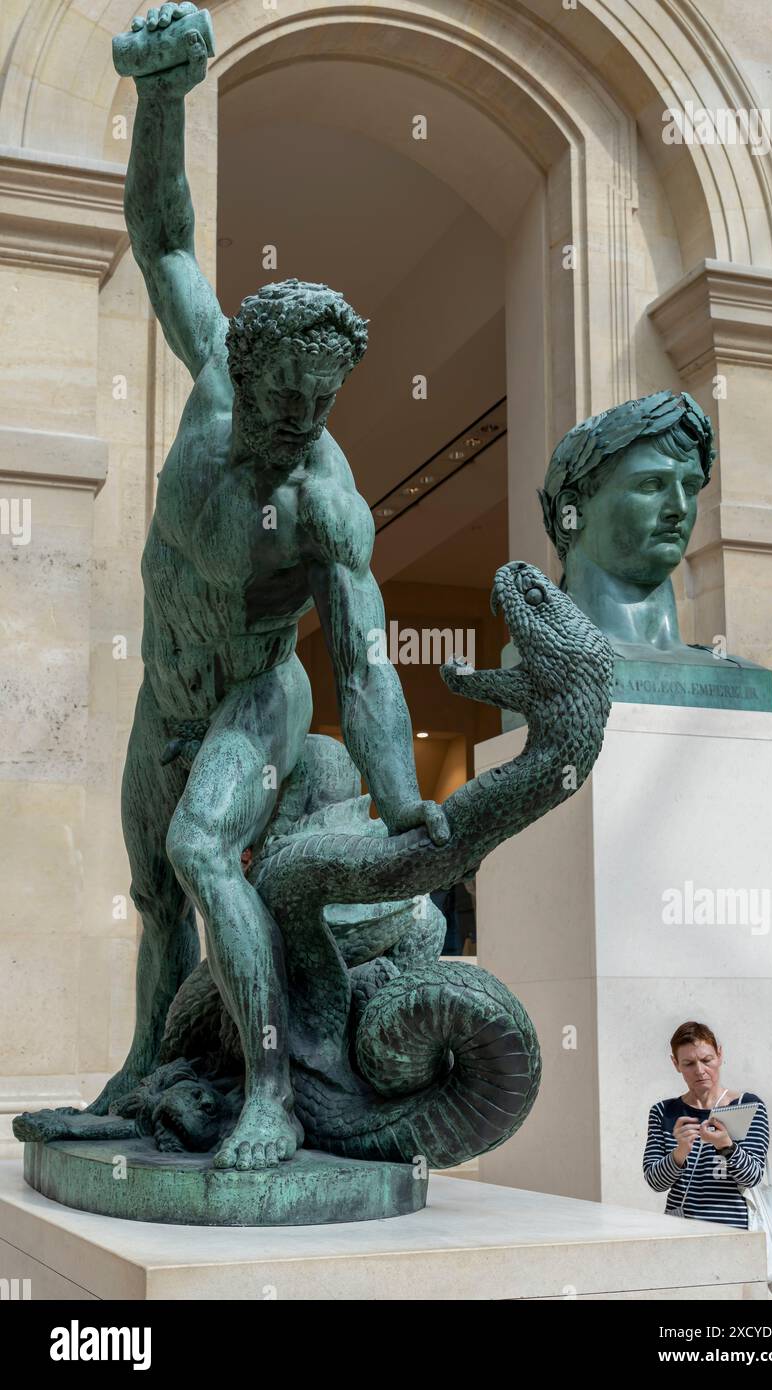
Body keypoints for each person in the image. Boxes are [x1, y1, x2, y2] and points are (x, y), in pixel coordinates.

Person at [83, 3, 450, 1172]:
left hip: (257, 693)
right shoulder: (209, 385)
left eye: (323, 405)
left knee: (202, 849)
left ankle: (276, 1093)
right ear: (247, 370)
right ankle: (148, 1069)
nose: (301, 424)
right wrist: (162, 99)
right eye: (286, 400)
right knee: (151, 897)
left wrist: (402, 808)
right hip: (168, 694)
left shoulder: (331, 506)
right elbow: (165, 237)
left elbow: (367, 661)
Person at [642, 1020, 769, 1228]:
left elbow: (752, 1177)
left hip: (733, 1233)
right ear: (675, 1064)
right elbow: (655, 1183)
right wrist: (680, 1152)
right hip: (680, 1233)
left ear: (720, 1055)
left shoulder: (748, 1106)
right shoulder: (664, 1112)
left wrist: (726, 1145)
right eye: (689, 1064)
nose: (700, 1070)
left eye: (706, 1060)